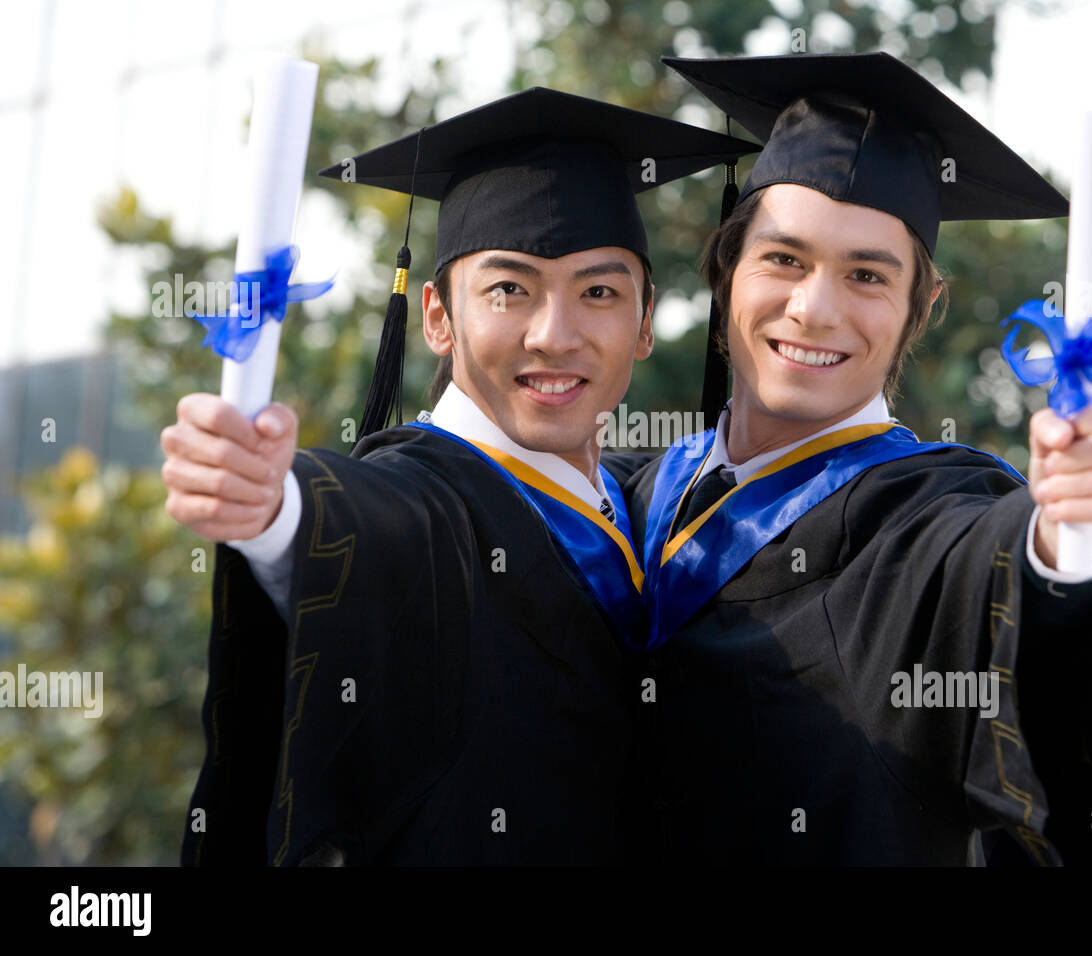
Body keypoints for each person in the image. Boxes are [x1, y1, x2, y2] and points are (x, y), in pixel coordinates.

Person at [160, 87, 755, 865]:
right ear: (437, 317)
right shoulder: (426, 496)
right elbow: (365, 531)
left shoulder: (650, 505)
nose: (555, 334)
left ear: (645, 322)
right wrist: (272, 506)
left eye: (599, 292)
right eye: (509, 289)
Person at [619, 52, 1092, 865]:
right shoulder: (637, 492)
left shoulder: (927, 522)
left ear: (920, 304)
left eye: (867, 274)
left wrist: (1062, 544)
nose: (815, 308)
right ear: (728, 266)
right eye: (784, 259)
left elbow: (999, 565)